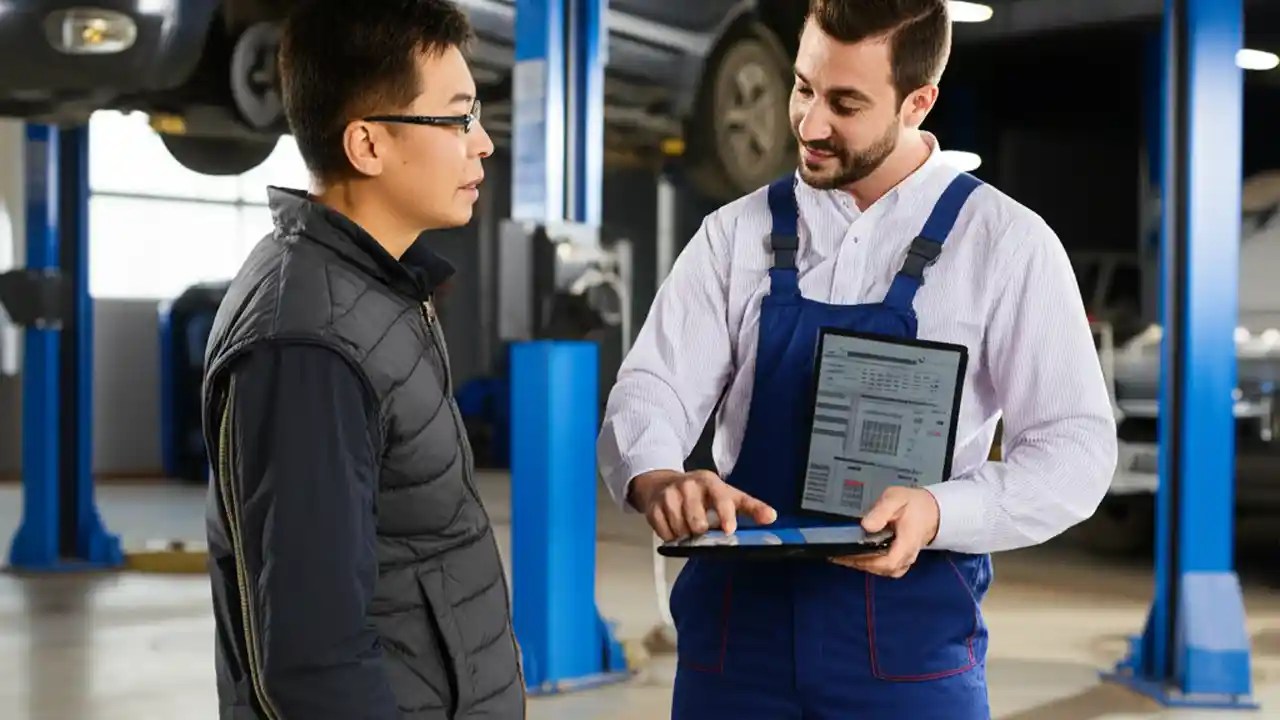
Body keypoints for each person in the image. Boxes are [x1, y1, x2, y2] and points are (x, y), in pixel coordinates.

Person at [597, 0, 1117, 718]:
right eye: (802, 87)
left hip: (908, 657)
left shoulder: (1006, 246)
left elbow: (1075, 449)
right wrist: (658, 476)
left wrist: (940, 510)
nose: (810, 124)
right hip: (735, 650)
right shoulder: (734, 236)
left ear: (917, 102)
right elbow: (651, 388)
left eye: (844, 104)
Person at [200, 1, 525, 718]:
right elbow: (314, 662)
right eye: (457, 119)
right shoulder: (307, 342)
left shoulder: (374, 290)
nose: (482, 144)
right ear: (367, 144)